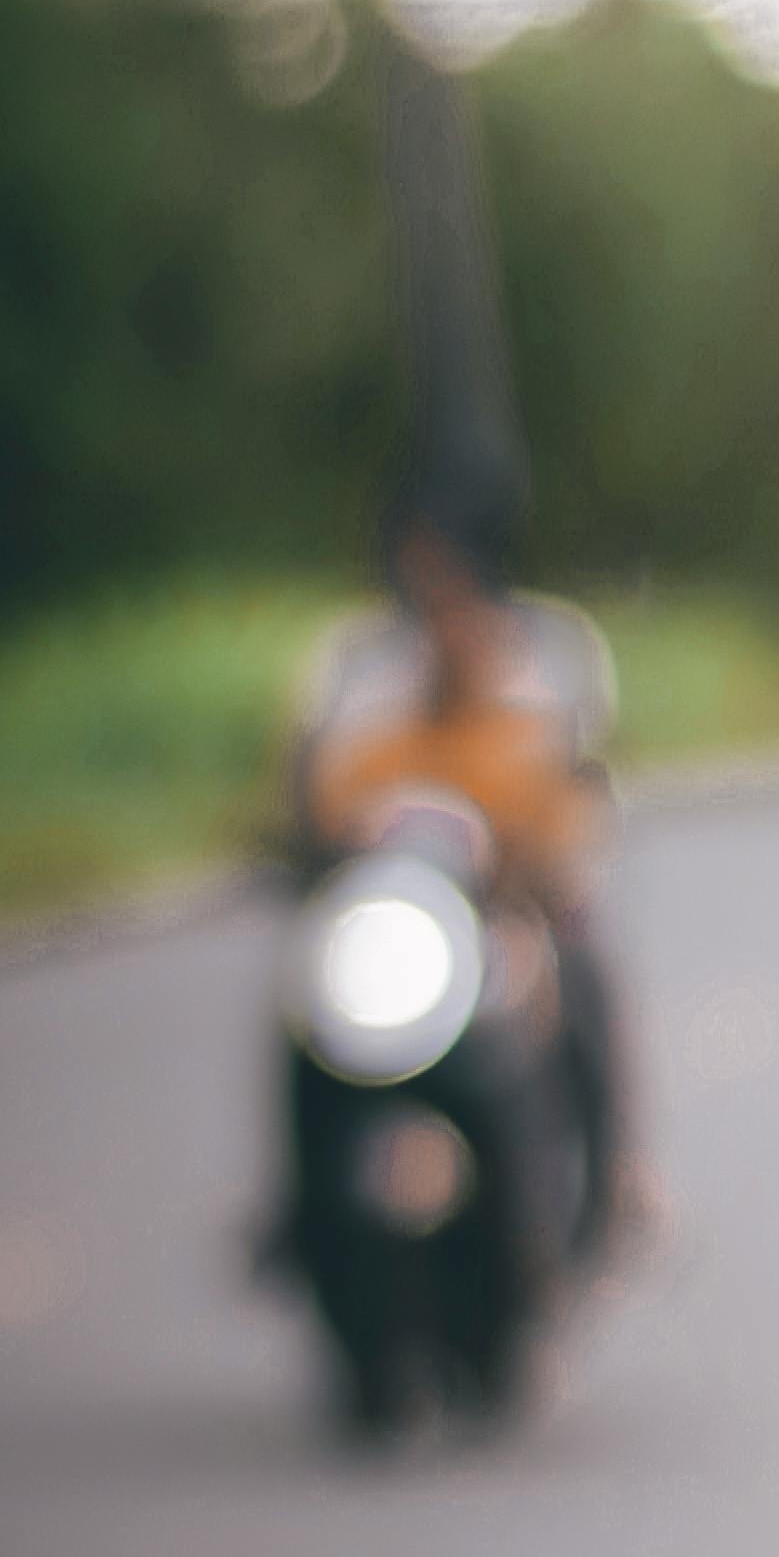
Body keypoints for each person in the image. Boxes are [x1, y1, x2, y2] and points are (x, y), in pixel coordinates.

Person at [290, 454, 639, 1254]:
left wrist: (544, 861)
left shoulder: (549, 656)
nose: (430, 582)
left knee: (579, 977)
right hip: (392, 918)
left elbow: (580, 794)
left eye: (444, 561)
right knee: (301, 1019)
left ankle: (611, 1179)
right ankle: (300, 1209)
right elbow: (314, 795)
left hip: (506, 913)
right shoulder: (361, 667)